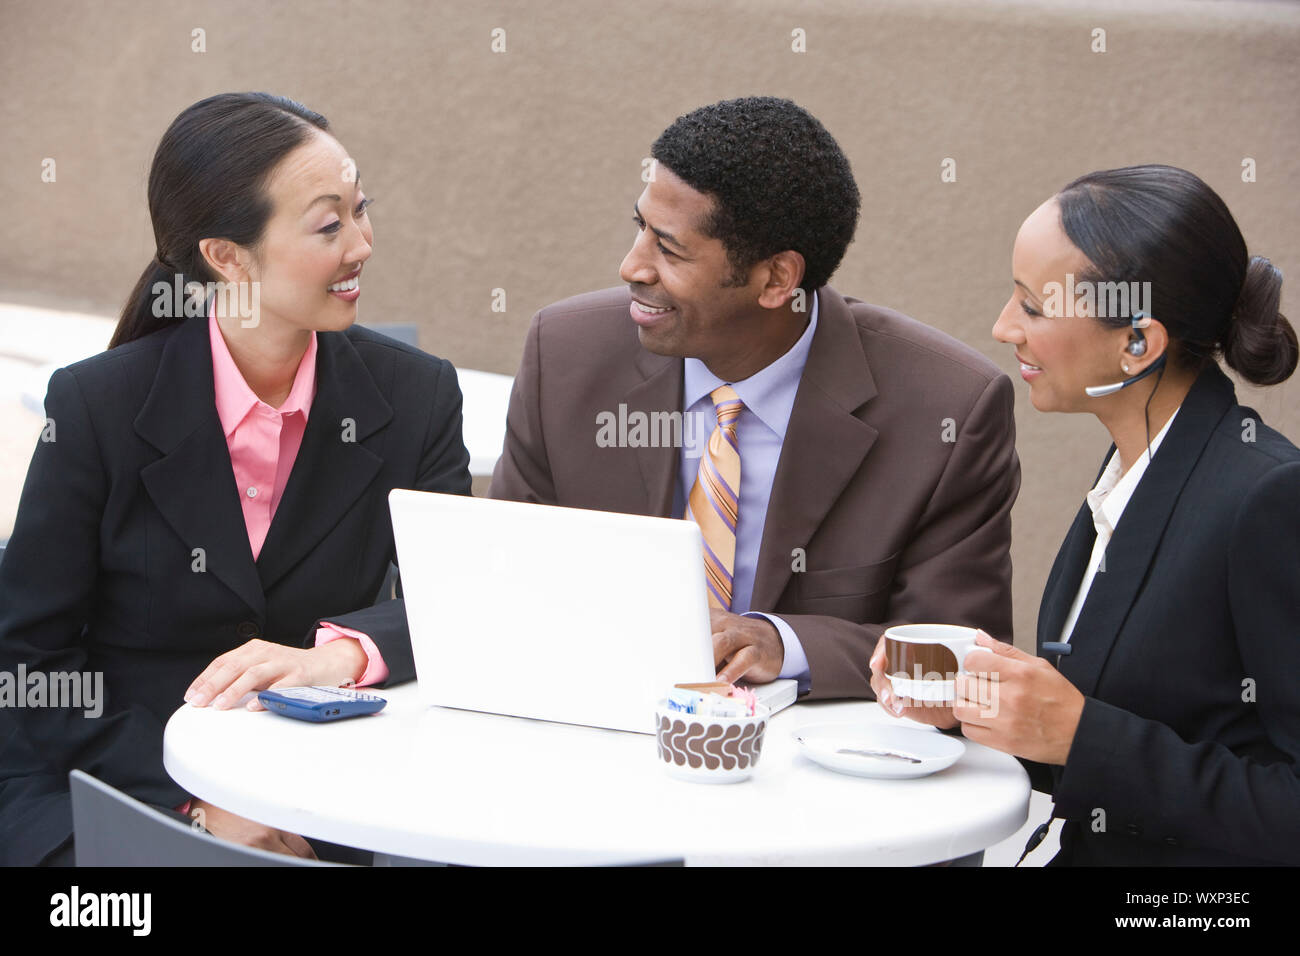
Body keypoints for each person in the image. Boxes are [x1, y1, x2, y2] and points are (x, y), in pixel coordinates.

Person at [0, 92, 472, 866]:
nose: (363, 244)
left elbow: (457, 605)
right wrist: (196, 797)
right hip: (114, 778)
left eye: (361, 210)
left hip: (325, 788)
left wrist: (343, 655)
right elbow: (27, 660)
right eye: (329, 224)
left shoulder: (417, 397)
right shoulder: (96, 405)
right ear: (227, 256)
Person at [489, 97, 1020, 699]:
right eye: (640, 228)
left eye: (670, 249)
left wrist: (784, 644)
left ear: (776, 280)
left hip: (822, 766)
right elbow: (507, 575)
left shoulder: (948, 409)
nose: (631, 267)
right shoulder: (565, 353)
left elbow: (956, 658)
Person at [872, 163, 1300, 865]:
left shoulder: (1268, 499)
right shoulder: (1133, 471)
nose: (1003, 326)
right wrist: (976, 705)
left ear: (1138, 343)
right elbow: (1125, 731)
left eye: (1034, 307)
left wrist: (1078, 733)